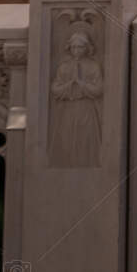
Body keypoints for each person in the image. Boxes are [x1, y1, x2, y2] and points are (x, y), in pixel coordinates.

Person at [48, 23, 103, 168]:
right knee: (66, 141)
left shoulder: (93, 66)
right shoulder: (64, 67)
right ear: (69, 48)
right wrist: (69, 85)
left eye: (80, 47)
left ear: (87, 48)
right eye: (74, 47)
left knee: (86, 141)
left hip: (86, 109)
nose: (77, 50)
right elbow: (55, 89)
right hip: (68, 110)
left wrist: (82, 84)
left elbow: (98, 89)